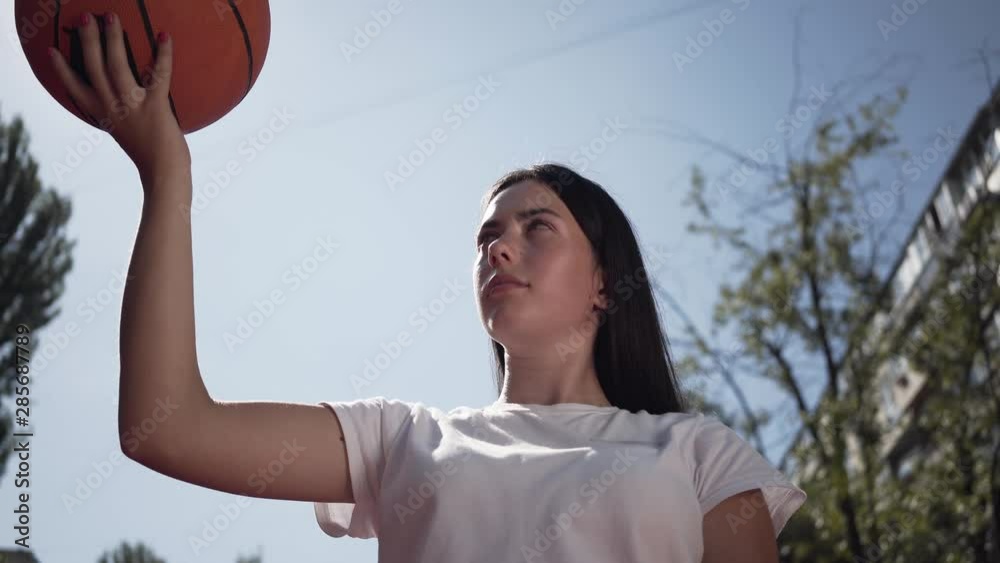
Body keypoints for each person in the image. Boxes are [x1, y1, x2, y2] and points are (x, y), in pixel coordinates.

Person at [50, 11, 806, 563]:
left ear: (606, 284)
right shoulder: (401, 440)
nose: (500, 246)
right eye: (487, 236)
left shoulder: (700, 453)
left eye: (536, 226)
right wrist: (165, 178)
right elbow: (165, 425)